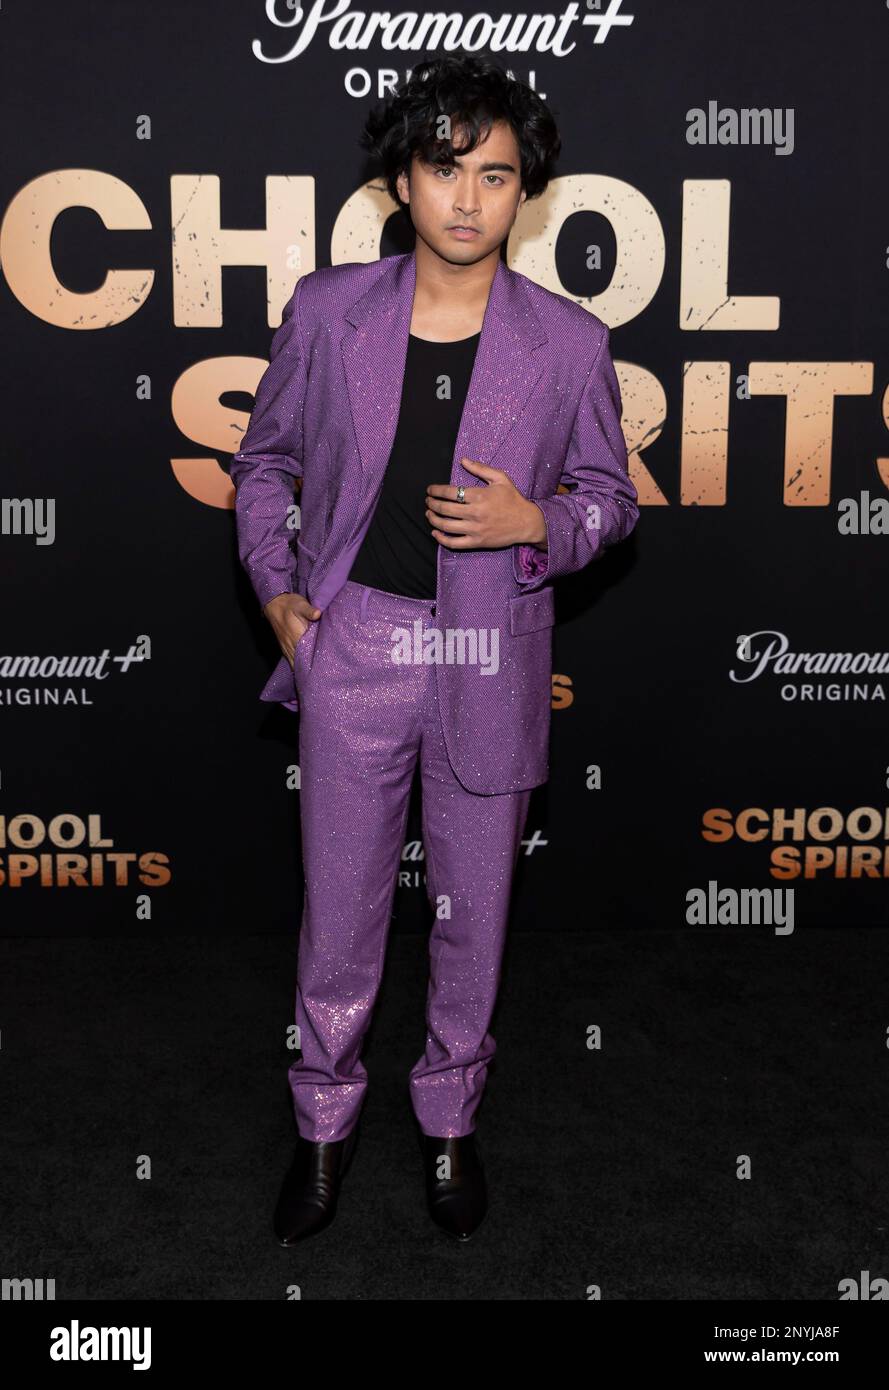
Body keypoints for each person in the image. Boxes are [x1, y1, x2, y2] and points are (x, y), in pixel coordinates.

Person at [230, 52, 639, 1245]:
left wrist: (540, 525)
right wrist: (281, 598)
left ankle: (450, 1121)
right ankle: (322, 1126)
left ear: (528, 192)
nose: (467, 198)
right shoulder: (327, 310)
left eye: (495, 175)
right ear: (402, 180)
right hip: (353, 642)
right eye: (442, 167)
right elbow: (264, 465)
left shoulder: (567, 343)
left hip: (488, 654)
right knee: (340, 915)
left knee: (475, 915)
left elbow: (614, 501)